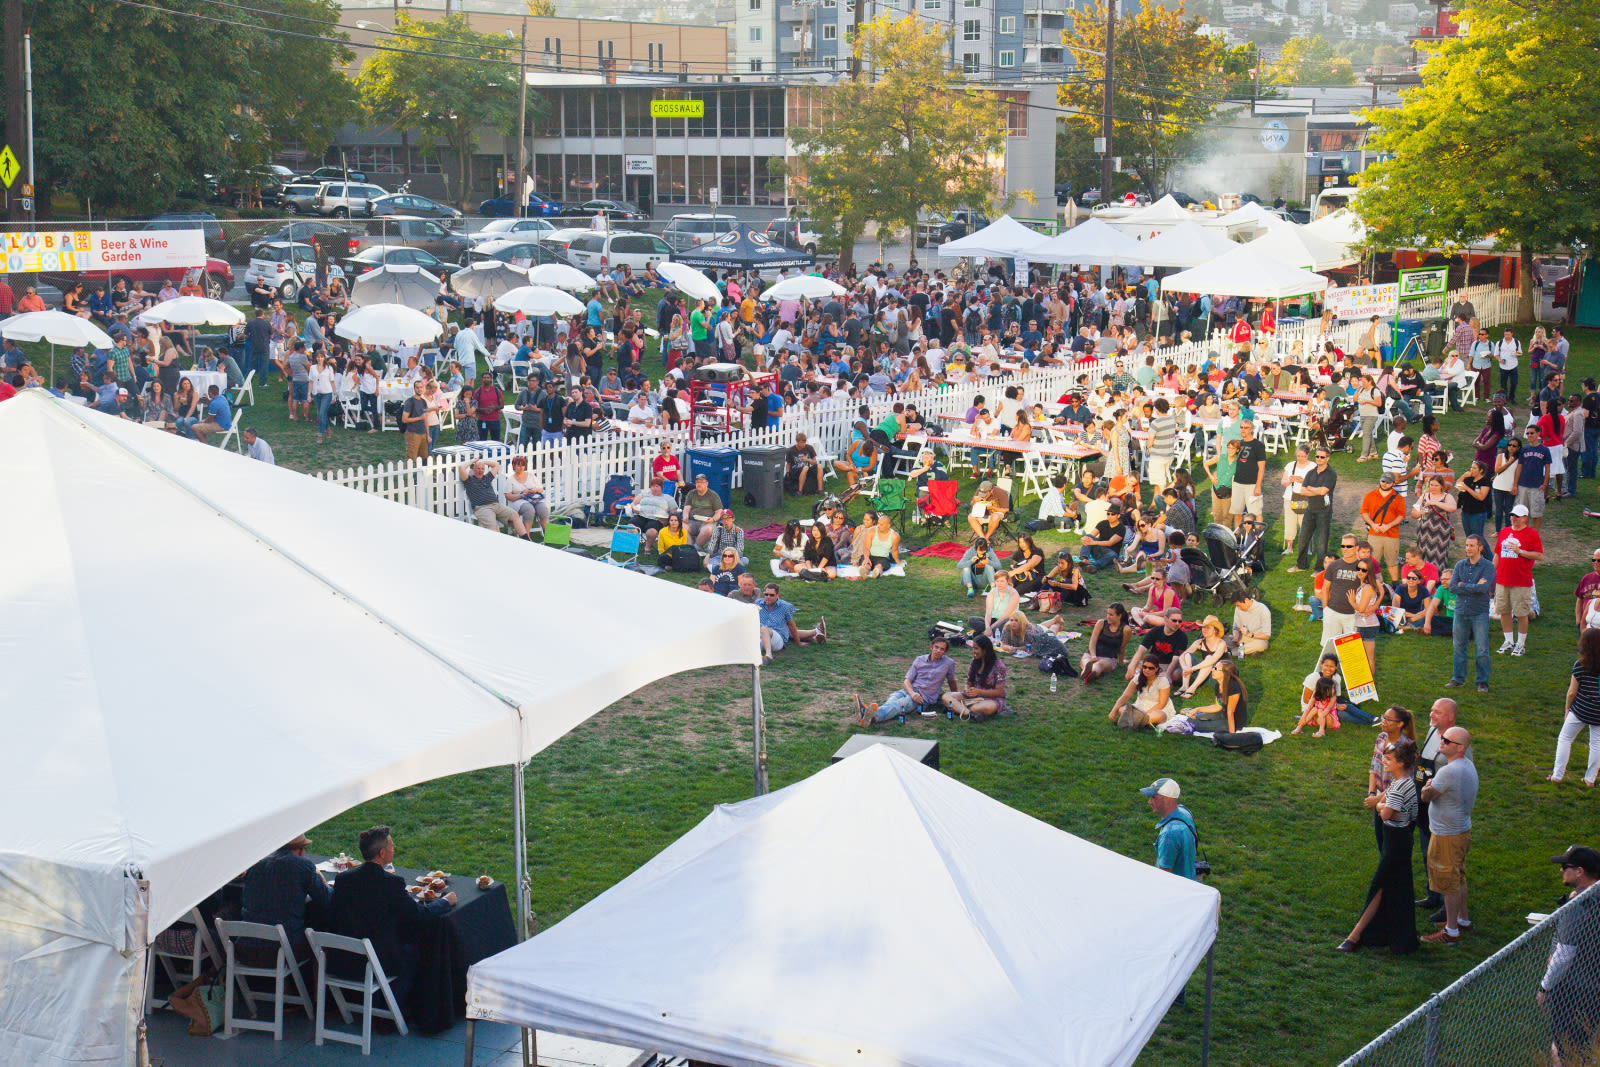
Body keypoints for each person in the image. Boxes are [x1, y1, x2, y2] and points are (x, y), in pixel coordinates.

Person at [328, 826, 455, 1005]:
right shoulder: (391, 883)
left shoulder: (343, 879)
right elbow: (417, 914)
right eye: (392, 847)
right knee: (413, 953)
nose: (393, 850)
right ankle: (391, 1008)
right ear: (382, 852)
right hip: (376, 961)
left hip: (341, 960)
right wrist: (445, 902)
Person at [1338, 737, 1420, 955]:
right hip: (1402, 840)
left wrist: (1380, 804)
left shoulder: (1399, 786)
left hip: (1394, 843)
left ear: (1401, 763)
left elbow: (1384, 814)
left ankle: (1355, 937)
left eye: (1389, 758)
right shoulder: (1406, 783)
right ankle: (1389, 938)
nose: (1384, 761)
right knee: (1397, 889)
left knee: (1379, 888)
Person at [1537, 846, 1600, 1067]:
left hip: (1573, 990)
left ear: (1580, 871)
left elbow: (1564, 954)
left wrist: (1545, 987)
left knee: (1563, 1050)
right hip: (1594, 986)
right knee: (1590, 1046)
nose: (1561, 870)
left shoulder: (1577, 907)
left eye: (1566, 867)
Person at [1421, 726, 1478, 944]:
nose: (1441, 743)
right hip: (1461, 830)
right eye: (1442, 739)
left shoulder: (1448, 771)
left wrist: (1427, 786)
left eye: (1447, 741)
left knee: (1448, 881)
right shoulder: (1466, 765)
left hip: (1447, 834)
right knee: (1459, 876)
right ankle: (1463, 920)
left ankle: (1451, 931)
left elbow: (1427, 796)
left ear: (1461, 748)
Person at [240, 833, 330, 964]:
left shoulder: (255, 867)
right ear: (300, 850)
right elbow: (325, 899)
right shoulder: (303, 866)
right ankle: (315, 984)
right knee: (321, 939)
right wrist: (323, 882)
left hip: (247, 948)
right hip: (282, 949)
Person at [857, 634, 963, 726]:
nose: (938, 651)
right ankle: (871, 717)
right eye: (936, 647)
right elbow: (907, 681)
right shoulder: (919, 659)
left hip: (924, 698)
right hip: (910, 691)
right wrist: (912, 693)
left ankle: (870, 714)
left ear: (945, 652)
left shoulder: (949, 663)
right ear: (931, 647)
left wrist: (955, 698)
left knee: (900, 704)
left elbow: (951, 681)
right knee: (893, 698)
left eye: (942, 649)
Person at [1443, 534, 1495, 691]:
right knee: (1459, 647)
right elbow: (1452, 587)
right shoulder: (1459, 565)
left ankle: (1482, 682)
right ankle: (1458, 678)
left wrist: (1463, 585)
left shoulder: (1488, 566)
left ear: (1480, 547)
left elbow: (1483, 589)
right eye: (1466, 545)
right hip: (1461, 611)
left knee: (1482, 649)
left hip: (1479, 612)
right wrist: (1472, 586)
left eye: (1471, 545)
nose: (1468, 548)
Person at [1550, 628, 1600, 787]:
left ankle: (1557, 776)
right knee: (1596, 743)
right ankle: (1590, 779)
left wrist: (1567, 709)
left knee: (1565, 738)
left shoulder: (1580, 665)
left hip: (1581, 709)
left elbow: (1572, 692)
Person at [1496, 504, 1545, 656]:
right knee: (1503, 611)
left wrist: (1520, 551)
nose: (1514, 518)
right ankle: (1508, 641)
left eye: (1517, 516)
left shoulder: (1531, 534)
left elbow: (1539, 555)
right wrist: (1492, 572)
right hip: (1502, 579)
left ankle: (1521, 644)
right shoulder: (1504, 532)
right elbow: (1497, 554)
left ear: (1525, 518)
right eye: (1512, 515)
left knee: (1521, 613)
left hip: (1521, 580)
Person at [1141, 778, 1198, 881]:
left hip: (1178, 891)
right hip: (1190, 880)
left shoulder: (1169, 834)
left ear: (1167, 799)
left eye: (1154, 797)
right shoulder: (1185, 812)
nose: (1149, 802)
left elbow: (1163, 877)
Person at [941, 635, 1008, 720]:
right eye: (973, 648)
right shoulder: (974, 662)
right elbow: (969, 683)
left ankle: (957, 708)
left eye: (976, 649)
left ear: (985, 650)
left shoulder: (999, 666)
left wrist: (979, 692)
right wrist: (967, 689)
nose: (973, 651)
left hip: (992, 699)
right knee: (946, 696)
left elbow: (999, 691)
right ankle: (968, 713)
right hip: (973, 698)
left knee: (985, 708)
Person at [459, 460, 530, 538]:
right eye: (478, 468)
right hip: (482, 508)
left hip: (496, 505)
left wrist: (483, 461)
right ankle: (496, 547)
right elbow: (461, 467)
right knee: (493, 528)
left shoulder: (487, 477)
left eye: (482, 469)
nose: (480, 470)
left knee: (515, 516)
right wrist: (474, 461)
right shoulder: (469, 480)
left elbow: (496, 465)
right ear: (473, 470)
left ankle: (526, 540)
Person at [756, 583, 824, 663]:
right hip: (760, 637)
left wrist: (798, 643)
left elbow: (791, 625)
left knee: (765, 629)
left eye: (771, 595)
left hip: (778, 638)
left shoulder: (785, 607)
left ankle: (768, 655)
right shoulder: (758, 604)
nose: (768, 597)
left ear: (777, 595)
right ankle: (816, 633)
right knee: (765, 630)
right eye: (766, 594)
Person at [1361, 472, 1406, 583]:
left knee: (1392, 562)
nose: (1384, 484)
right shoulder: (1370, 495)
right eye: (1383, 481)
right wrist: (1372, 524)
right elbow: (1364, 512)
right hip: (1374, 533)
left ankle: (1395, 585)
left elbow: (1401, 515)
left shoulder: (1399, 498)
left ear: (1393, 483)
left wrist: (1388, 526)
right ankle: (1370, 584)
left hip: (1392, 534)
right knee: (1371, 561)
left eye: (1388, 482)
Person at [1126, 607, 1190, 686]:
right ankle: (1151, 677)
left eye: (1179, 621)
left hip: (1171, 665)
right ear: (1166, 619)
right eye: (1174, 620)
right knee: (1135, 666)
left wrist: (1168, 674)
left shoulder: (1182, 637)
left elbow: (1175, 660)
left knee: (1176, 675)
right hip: (1154, 664)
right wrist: (1131, 665)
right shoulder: (1155, 631)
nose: (1177, 623)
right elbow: (1141, 649)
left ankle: (1147, 677)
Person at [1110, 656, 1176, 729]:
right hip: (1140, 707)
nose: (1147, 670)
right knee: (1121, 709)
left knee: (1159, 715)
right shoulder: (1138, 678)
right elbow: (1125, 696)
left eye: (1151, 668)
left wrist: (1144, 714)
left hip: (1157, 709)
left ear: (1156, 669)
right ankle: (1144, 723)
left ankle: (1133, 722)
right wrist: (1113, 711)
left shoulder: (1163, 681)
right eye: (1145, 667)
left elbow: (1162, 704)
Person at [1187, 659, 1250, 733]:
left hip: (1235, 721)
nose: (1212, 670)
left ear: (1225, 673)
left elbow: (1230, 712)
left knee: (1197, 725)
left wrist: (1232, 734)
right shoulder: (1218, 686)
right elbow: (1218, 707)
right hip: (1222, 714)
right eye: (1214, 667)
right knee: (1190, 719)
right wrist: (1198, 709)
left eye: (1216, 668)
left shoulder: (1233, 687)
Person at [1080, 603, 1133, 684]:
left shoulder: (1126, 630)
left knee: (1099, 665)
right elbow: (1092, 642)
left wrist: (1121, 661)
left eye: (1111, 615)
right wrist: (1093, 655)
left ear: (1119, 616)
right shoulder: (1101, 623)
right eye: (1107, 614)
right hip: (1092, 653)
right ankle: (1086, 672)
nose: (1108, 616)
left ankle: (1090, 673)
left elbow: (1122, 647)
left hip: (1109, 658)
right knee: (1087, 660)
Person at [967, 570, 1021, 643]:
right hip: (994, 620)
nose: (999, 583)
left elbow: (1007, 615)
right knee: (972, 620)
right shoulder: (992, 592)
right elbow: (988, 612)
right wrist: (987, 627)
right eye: (997, 581)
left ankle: (982, 634)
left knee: (1003, 625)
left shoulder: (1013, 593)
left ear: (1007, 581)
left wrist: (991, 627)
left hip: (1008, 620)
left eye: (1002, 581)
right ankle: (989, 633)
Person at [1230, 589, 1271, 656]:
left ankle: (1232, 652)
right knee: (1223, 640)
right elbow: (1236, 627)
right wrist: (1236, 638)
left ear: (1246, 600)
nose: (1238, 608)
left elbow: (1266, 636)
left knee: (1260, 645)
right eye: (1237, 606)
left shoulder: (1263, 609)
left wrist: (1250, 634)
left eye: (1239, 605)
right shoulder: (1238, 609)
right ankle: (1247, 649)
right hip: (1242, 638)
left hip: (1258, 639)